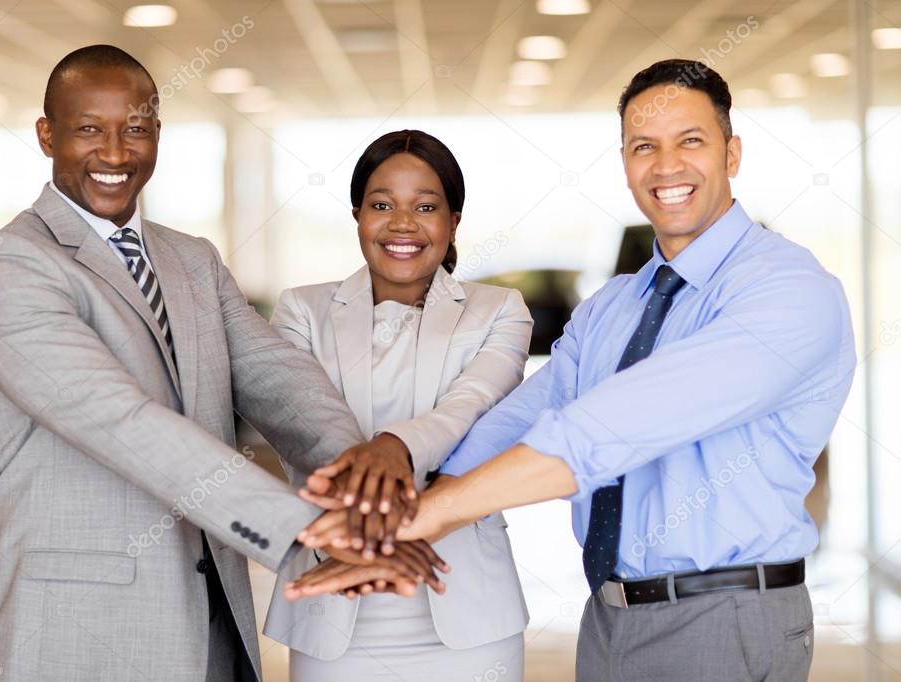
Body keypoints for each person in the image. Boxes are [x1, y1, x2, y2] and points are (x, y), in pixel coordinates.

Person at [295, 59, 857, 682]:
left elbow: (608, 429)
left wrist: (428, 515)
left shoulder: (787, 290)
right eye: (644, 146)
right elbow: (517, 420)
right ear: (625, 163)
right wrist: (391, 518)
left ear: (733, 153)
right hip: (611, 617)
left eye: (690, 141)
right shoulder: (614, 307)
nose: (666, 166)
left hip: (724, 619)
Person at [0, 45, 442, 682]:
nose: (115, 152)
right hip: (76, 630)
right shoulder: (5, 267)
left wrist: (357, 482)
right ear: (47, 135)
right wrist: (303, 529)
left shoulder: (192, 258)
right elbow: (119, 421)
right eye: (88, 130)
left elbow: (278, 379)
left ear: (157, 133)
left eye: (135, 128)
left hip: (212, 620)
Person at [263, 130, 533, 681]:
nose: (402, 224)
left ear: (453, 220)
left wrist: (393, 447)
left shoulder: (500, 310)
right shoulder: (301, 311)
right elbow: (299, 423)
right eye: (382, 205)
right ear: (357, 214)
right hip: (333, 598)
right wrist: (370, 474)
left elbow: (469, 411)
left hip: (468, 608)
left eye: (425, 206)